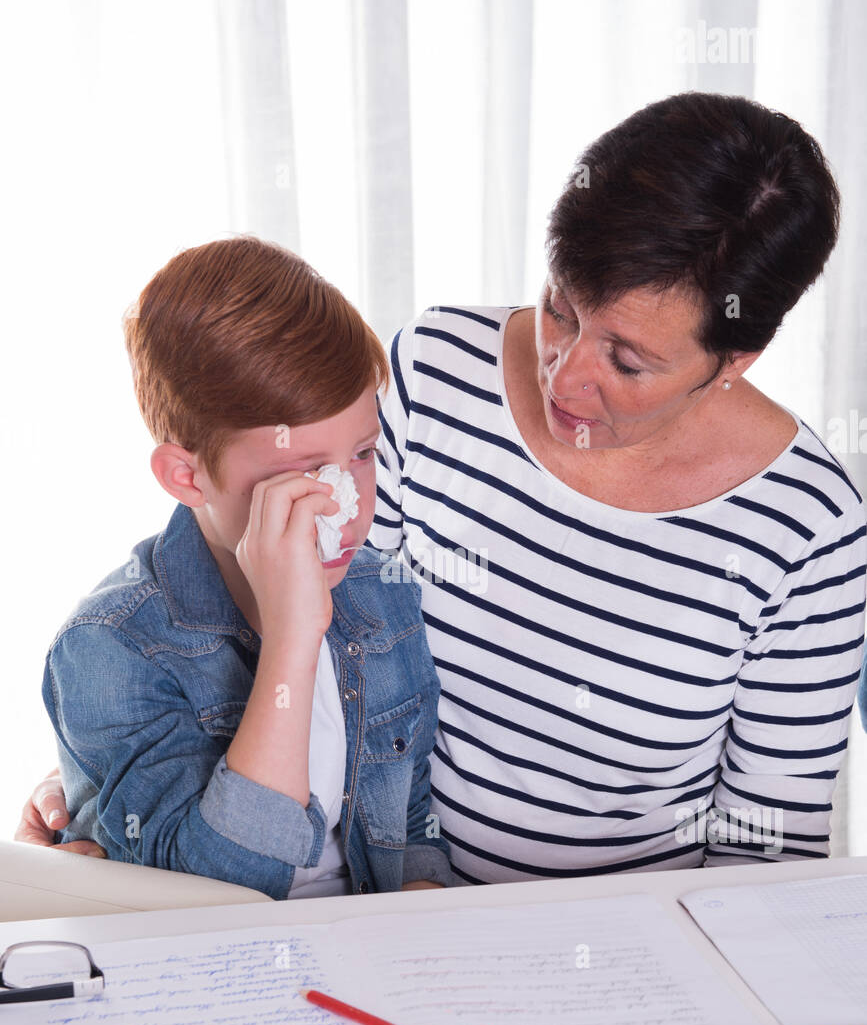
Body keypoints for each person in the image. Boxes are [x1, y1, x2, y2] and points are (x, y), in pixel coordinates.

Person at [21, 92, 867, 881]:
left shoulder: (808, 528)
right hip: (388, 917)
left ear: (732, 360)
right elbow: (282, 587)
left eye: (627, 360)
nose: (564, 378)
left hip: (629, 952)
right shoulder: (432, 374)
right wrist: (111, 776)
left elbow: (767, 851)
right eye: (561, 309)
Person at [25, 237, 449, 899]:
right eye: (299, 471)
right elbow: (219, 899)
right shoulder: (109, 648)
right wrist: (291, 638)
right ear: (186, 476)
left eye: (362, 453)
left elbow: (413, 824)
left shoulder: (380, 596)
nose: (346, 502)